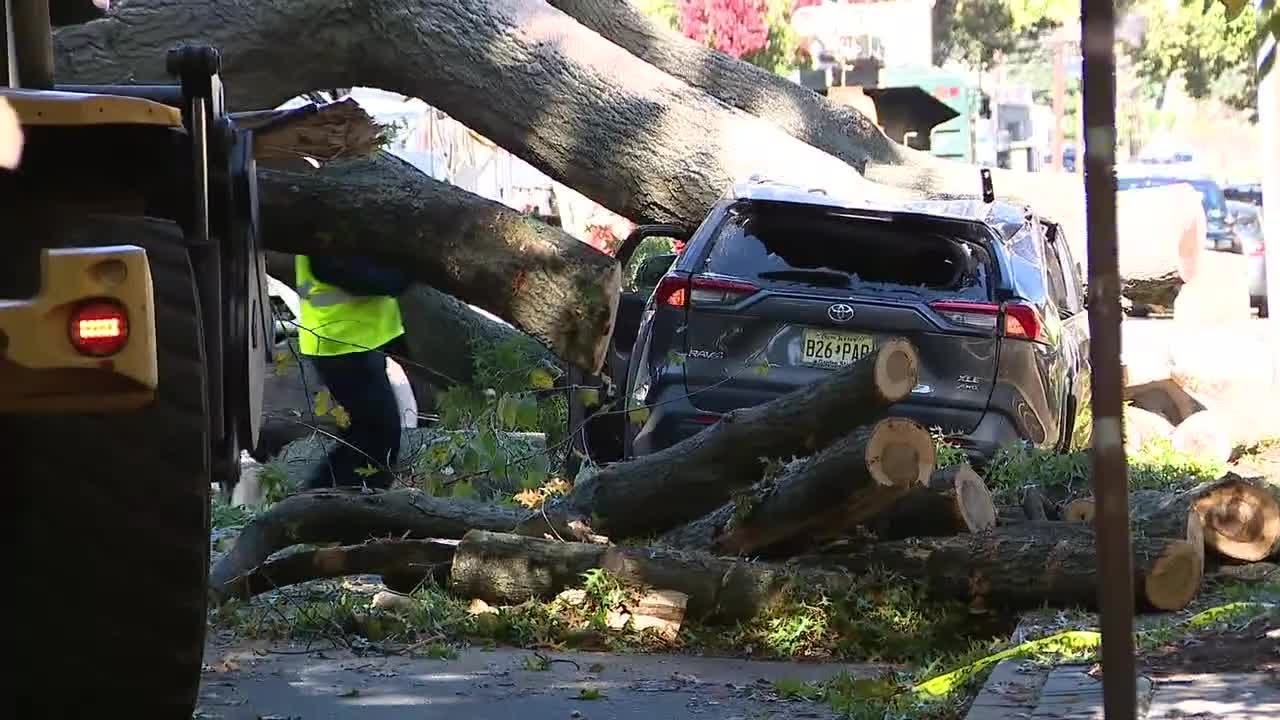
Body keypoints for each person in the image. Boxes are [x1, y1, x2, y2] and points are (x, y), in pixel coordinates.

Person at [295, 254, 411, 490]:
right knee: (378, 441)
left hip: (353, 339)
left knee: (367, 438)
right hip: (341, 341)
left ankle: (322, 507)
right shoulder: (327, 222)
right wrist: (397, 278)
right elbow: (331, 266)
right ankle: (319, 505)